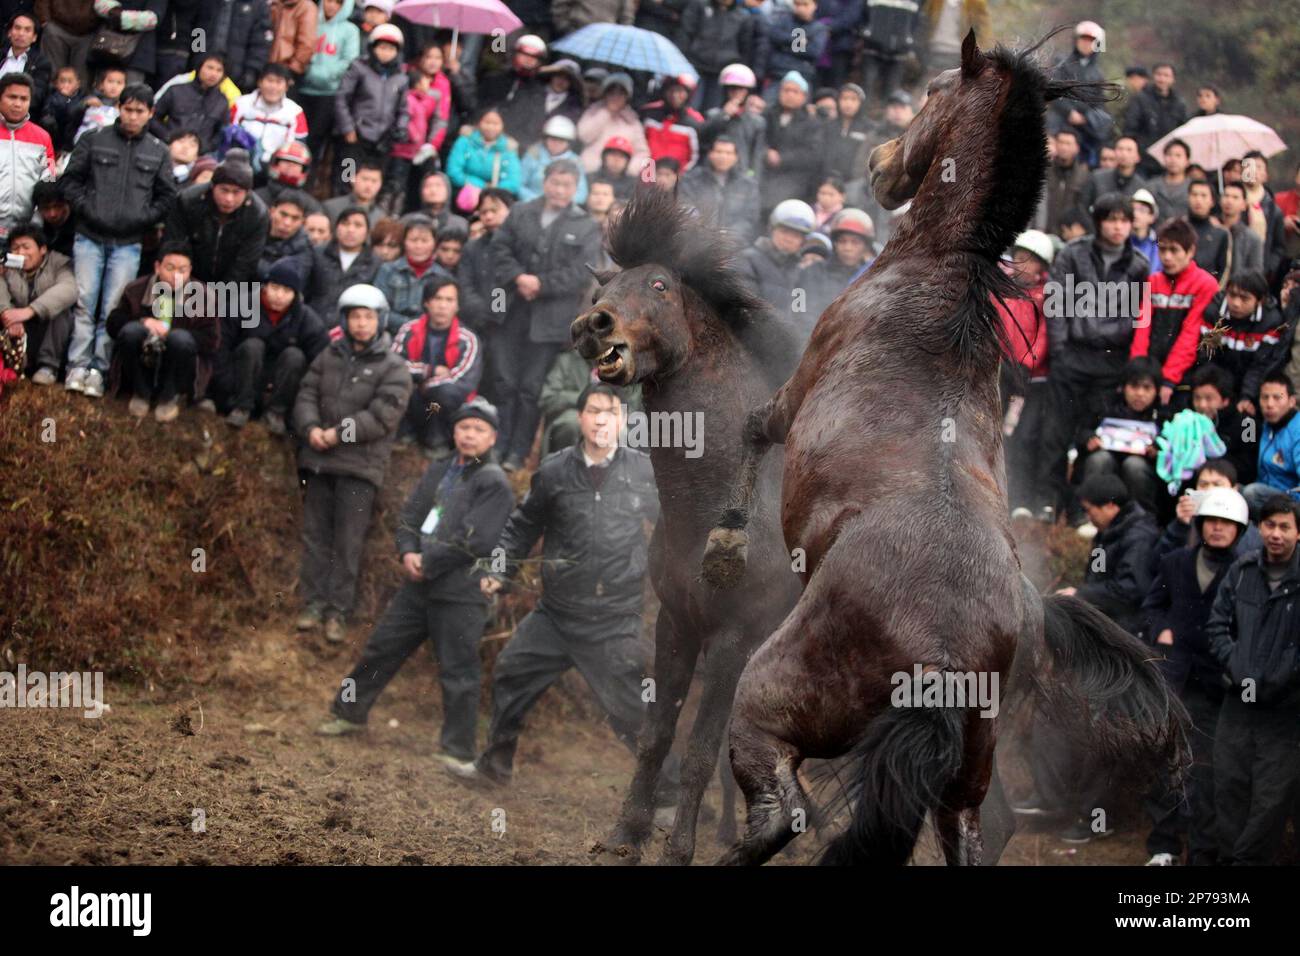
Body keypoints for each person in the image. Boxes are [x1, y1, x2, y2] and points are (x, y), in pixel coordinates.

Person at [446, 384, 678, 806]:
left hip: (612, 616)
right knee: (511, 673)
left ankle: (666, 795)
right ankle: (493, 768)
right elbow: (522, 526)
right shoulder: (554, 471)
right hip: (556, 614)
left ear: (623, 422)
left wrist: (663, 575)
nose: (602, 420)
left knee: (630, 707)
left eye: (611, 412)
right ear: (581, 418)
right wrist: (500, 567)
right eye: (594, 411)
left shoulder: (643, 473)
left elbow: (671, 529)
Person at [316, 397, 513, 752]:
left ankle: (458, 751)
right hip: (418, 585)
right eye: (464, 427)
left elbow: (477, 538)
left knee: (458, 671)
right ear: (454, 431)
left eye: (478, 430)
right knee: (381, 648)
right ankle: (348, 713)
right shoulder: (440, 469)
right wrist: (407, 551)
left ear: (492, 438)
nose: (469, 435)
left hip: (460, 591)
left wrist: (429, 560)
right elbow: (411, 515)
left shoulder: (494, 481)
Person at [294, 282, 412, 643]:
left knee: (348, 542)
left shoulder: (394, 367)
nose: (361, 323)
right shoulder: (329, 356)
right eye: (354, 317)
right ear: (345, 321)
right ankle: (312, 604)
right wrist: (311, 427)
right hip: (319, 462)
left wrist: (336, 434)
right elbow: (306, 394)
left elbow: (381, 417)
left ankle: (338, 611)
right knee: (315, 536)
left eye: (368, 316)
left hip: (360, 468)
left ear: (380, 320)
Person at [1141, 486, 1250, 866]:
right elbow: (1153, 604)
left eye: (1227, 523)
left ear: (1239, 529)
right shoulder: (1175, 562)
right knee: (1167, 762)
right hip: (1175, 679)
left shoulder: (1246, 571)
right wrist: (1161, 630)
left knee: (1208, 771)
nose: (1218, 529)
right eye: (1212, 521)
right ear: (1200, 524)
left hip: (1217, 686)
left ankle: (1202, 851)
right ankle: (1164, 845)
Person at [1039, 193, 1152, 519]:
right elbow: (1056, 303)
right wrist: (1060, 350)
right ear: (1099, 221)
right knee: (1056, 433)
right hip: (1072, 354)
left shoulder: (1138, 265)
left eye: (1124, 220)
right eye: (1111, 220)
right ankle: (1049, 503)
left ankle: (1082, 510)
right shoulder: (1073, 254)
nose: (1118, 227)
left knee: (1094, 437)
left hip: (1111, 361)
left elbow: (1139, 316)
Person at [61, 82, 174, 400]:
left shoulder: (158, 150)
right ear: (119, 109)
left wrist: (142, 217)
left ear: (151, 113)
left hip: (128, 241)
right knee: (84, 302)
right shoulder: (94, 139)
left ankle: (98, 369)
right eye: (128, 109)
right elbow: (70, 181)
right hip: (89, 235)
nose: (133, 116)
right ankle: (76, 366)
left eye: (140, 111)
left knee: (112, 307)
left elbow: (167, 196)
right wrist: (87, 208)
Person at [490, 158, 601, 471]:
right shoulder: (520, 212)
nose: (559, 190)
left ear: (576, 188)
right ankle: (498, 444)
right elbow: (500, 249)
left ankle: (518, 452)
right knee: (505, 381)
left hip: (550, 319)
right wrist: (519, 278)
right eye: (554, 182)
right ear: (545, 181)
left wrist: (541, 284)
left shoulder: (586, 225)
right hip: (511, 311)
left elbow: (580, 273)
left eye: (567, 185)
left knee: (531, 387)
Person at [1207, 495, 1300, 865]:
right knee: (1228, 787)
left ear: (1298, 532)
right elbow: (1217, 626)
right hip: (1237, 705)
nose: (1276, 534)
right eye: (1270, 526)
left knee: (1270, 802)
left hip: (1286, 711)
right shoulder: (1243, 570)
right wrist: (1239, 666)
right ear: (1259, 528)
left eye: (1284, 527)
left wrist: (1279, 678)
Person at [105, 243, 220, 423]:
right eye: (170, 268)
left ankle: (169, 397)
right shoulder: (136, 289)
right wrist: (144, 322)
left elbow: (211, 340)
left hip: (180, 361)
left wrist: (171, 334)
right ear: (157, 267)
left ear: (190, 270)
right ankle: (140, 393)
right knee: (131, 332)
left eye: (183, 270)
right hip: (143, 358)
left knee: (180, 340)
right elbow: (113, 324)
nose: (176, 275)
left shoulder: (204, 296)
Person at [213, 258, 328, 431]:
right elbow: (219, 348)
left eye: (287, 290)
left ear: (296, 294)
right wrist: (228, 386)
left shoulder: (306, 319)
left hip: (280, 385)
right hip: (240, 380)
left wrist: (299, 397)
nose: (279, 296)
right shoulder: (240, 305)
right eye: (275, 288)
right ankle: (241, 407)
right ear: (265, 286)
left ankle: (276, 413)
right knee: (253, 345)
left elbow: (320, 361)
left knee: (295, 356)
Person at [1131, 218, 1218, 408]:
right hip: (1151, 372)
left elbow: (1191, 333)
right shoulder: (1152, 281)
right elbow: (1141, 328)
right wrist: (1138, 371)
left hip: (1185, 373)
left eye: (1174, 250)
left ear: (1190, 251)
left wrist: (1170, 377)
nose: (1167, 257)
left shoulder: (1205, 284)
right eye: (1162, 250)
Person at [391, 275, 482, 455]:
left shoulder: (468, 339)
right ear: (426, 303)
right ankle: (406, 432)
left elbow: (462, 381)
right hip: (415, 397)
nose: (442, 305)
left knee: (444, 393)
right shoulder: (409, 329)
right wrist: (429, 371)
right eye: (437, 299)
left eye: (449, 300)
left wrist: (426, 384)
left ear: (457, 306)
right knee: (398, 385)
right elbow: (393, 365)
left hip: (444, 403)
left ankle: (436, 440)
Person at [997, 229, 1053, 519]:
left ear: (1042, 266)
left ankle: (1025, 498)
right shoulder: (1002, 289)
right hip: (1001, 373)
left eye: (1029, 260)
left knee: (1026, 436)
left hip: (1031, 379)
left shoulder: (1045, 296)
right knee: (997, 435)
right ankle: (1002, 496)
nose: (1023, 265)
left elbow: (1044, 334)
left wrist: (1026, 363)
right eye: (1019, 258)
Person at [1077, 358, 1167, 518]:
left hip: (1141, 471)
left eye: (1147, 388)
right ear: (1123, 387)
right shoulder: (1106, 407)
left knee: (1134, 466)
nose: (1140, 393)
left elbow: (1169, 450)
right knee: (1099, 459)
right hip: (1107, 463)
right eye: (1134, 386)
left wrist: (1157, 451)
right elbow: (1082, 432)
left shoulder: (1162, 416)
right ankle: (1090, 515)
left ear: (1156, 391)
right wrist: (1089, 440)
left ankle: (1141, 519)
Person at [163, 150, 269, 284]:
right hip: (186, 278)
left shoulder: (257, 214)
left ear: (247, 193)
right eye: (224, 190)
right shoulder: (188, 200)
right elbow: (173, 244)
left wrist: (219, 296)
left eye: (237, 192)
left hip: (232, 285)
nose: (229, 199)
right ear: (213, 186)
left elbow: (246, 263)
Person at [1199, 271, 1288, 424]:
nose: (1236, 303)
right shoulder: (1213, 313)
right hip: (1218, 384)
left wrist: (1247, 396)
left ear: (1259, 301)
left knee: (1247, 424)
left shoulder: (1271, 322)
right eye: (1231, 295)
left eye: (1244, 298)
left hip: (1251, 386)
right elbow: (1207, 356)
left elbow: (1260, 366)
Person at [333, 23, 409, 194]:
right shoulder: (359, 68)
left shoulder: (401, 78)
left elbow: (403, 109)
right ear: (372, 47)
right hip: (355, 137)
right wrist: (347, 128)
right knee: (347, 176)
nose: (385, 53)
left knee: (373, 182)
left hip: (382, 140)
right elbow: (341, 97)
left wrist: (400, 129)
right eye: (382, 47)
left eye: (390, 49)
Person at [0, 222, 76, 384]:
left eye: (26, 247)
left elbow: (69, 289)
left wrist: (31, 310)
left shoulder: (59, 263)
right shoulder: (6, 266)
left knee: (62, 312)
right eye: (15, 248)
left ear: (42, 249)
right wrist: (7, 313)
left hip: (47, 331)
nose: (21, 252)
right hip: (18, 334)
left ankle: (48, 368)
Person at [386, 41, 453, 215]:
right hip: (399, 143)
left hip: (423, 145)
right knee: (393, 184)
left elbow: (441, 119)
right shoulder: (406, 74)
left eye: (438, 58)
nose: (432, 61)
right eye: (429, 57)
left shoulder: (443, 84)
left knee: (418, 184)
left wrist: (431, 145)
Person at [297, 0, 361, 167]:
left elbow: (349, 60)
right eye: (328, 0)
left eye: (338, 2)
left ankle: (310, 183)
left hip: (330, 93)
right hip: (303, 88)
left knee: (317, 143)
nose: (331, 5)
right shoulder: (311, 22)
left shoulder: (350, 30)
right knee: (298, 139)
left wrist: (324, 74)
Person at [758, 72, 824, 220]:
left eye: (795, 91)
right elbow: (757, 140)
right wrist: (765, 153)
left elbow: (813, 154)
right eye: (786, 90)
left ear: (804, 96)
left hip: (795, 181)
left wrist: (782, 159)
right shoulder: (767, 115)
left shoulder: (811, 123)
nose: (789, 95)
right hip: (764, 174)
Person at [677, 135, 760, 247]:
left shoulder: (747, 185)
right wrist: (707, 234)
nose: (723, 156)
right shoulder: (691, 179)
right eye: (719, 151)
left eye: (728, 153)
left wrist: (729, 236)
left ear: (736, 157)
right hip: (697, 244)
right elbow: (686, 208)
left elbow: (749, 218)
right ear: (710, 154)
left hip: (735, 246)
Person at [738, 198, 813, 320]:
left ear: (803, 242)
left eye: (796, 235)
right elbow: (748, 306)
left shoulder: (799, 272)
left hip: (788, 336)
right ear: (772, 230)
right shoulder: (748, 260)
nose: (789, 239)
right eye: (785, 232)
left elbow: (800, 311)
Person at [0, 72, 53, 243]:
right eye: (12, 97)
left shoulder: (43, 138)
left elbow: (49, 181)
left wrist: (37, 220)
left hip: (26, 231)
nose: (17, 104)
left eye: (24, 99)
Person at [372, 213, 447, 333]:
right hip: (391, 335)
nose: (418, 246)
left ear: (434, 243)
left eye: (424, 241)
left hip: (428, 335)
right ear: (404, 242)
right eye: (413, 240)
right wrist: (410, 326)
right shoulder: (388, 270)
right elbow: (379, 308)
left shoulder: (442, 276)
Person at [799, 208, 873, 329]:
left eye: (855, 242)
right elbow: (799, 311)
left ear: (865, 247)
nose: (848, 248)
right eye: (842, 241)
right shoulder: (812, 272)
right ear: (835, 244)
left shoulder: (871, 276)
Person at [229, 63, 309, 173]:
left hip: (275, 167)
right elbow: (229, 133)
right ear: (260, 82)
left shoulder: (295, 112)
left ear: (286, 86)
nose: (273, 87)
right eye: (270, 81)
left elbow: (298, 147)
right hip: (240, 163)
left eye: (278, 82)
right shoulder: (241, 104)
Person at [680, 0, 755, 113]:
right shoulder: (700, 5)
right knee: (690, 108)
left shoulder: (743, 16)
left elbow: (745, 48)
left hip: (722, 74)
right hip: (695, 67)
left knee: (711, 113)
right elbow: (685, 35)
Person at [1187, 367, 1257, 488]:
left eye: (1209, 398)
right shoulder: (1188, 421)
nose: (1202, 405)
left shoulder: (1248, 423)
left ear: (1225, 400)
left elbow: (1248, 466)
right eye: (1197, 398)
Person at [476, 33, 548, 149]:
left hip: (512, 145)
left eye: (534, 57)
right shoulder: (494, 78)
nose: (528, 59)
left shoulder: (538, 91)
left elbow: (535, 123)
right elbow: (478, 106)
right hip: (481, 136)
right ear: (515, 54)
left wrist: (519, 142)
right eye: (524, 54)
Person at [307, 206, 380, 319]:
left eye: (358, 225)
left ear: (367, 232)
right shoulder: (317, 254)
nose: (350, 230)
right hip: (315, 321)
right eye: (345, 223)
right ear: (336, 228)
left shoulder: (374, 263)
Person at [446, 107, 523, 214]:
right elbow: (453, 171)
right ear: (479, 123)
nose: (490, 127)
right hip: (464, 193)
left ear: (502, 126)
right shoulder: (465, 141)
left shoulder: (508, 149)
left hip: (496, 197)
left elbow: (513, 182)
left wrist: (491, 191)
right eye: (487, 122)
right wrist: (479, 186)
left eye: (495, 124)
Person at [1241, 373, 1300, 512]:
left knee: (1251, 493)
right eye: (1265, 397)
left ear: (1291, 401)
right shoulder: (1266, 425)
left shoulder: (1297, 429)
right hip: (1264, 492)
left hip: (1291, 502)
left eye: (1277, 397)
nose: (1269, 404)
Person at [148, 53, 228, 154]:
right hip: (168, 149)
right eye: (210, 68)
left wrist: (205, 147)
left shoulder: (222, 101)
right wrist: (168, 137)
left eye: (219, 70)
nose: (213, 74)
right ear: (199, 68)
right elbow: (152, 117)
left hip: (201, 156)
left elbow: (221, 132)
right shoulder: (176, 90)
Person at [576, 73, 651, 178]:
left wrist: (628, 169)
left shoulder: (633, 122)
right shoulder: (593, 111)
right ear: (605, 94)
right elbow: (584, 136)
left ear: (627, 97)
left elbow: (643, 153)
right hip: (590, 172)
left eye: (620, 94)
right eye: (612, 93)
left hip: (620, 177)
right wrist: (606, 113)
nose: (615, 97)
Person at [700, 62, 764, 181]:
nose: (737, 93)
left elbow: (757, 158)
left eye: (741, 89)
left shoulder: (757, 122)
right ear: (726, 90)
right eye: (732, 88)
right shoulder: (713, 115)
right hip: (711, 174)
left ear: (747, 92)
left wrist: (753, 180)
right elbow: (703, 139)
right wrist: (724, 115)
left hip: (740, 177)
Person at [1124, 62, 1188, 179]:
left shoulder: (1179, 103)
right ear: (1153, 77)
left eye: (1166, 75)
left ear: (1172, 79)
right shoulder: (1140, 99)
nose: (1162, 79)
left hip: (1168, 160)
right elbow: (1130, 127)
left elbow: (1183, 130)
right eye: (1159, 75)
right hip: (1144, 159)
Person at [196, 0, 273, 93]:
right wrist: (197, 59)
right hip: (203, 70)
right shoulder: (208, 3)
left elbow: (260, 44)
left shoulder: (257, 5)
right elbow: (198, 30)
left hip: (236, 75)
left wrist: (251, 71)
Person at [755, 0, 827, 96]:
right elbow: (774, 36)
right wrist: (798, 40)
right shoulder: (783, 21)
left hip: (803, 77)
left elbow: (814, 52)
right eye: (797, 4)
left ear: (815, 6)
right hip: (778, 75)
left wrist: (784, 47)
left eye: (805, 4)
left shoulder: (818, 28)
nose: (801, 8)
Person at [640, 74, 705, 173]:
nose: (675, 95)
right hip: (646, 174)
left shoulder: (695, 121)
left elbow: (697, 156)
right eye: (671, 90)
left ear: (688, 94)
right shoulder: (648, 113)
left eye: (680, 91)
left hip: (677, 179)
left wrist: (681, 176)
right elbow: (639, 145)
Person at [518, 114, 588, 205]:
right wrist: (536, 201)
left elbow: (582, 193)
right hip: (532, 205)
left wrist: (561, 203)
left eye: (562, 140)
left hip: (563, 210)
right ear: (545, 139)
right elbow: (519, 184)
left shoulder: (575, 161)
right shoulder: (533, 155)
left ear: (569, 143)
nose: (557, 143)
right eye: (553, 139)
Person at [260, 189, 316, 286]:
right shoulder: (254, 230)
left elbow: (293, 278)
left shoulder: (304, 247)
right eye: (283, 215)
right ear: (272, 211)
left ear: (302, 221)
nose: (287, 223)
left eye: (295, 218)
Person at [1039, 128, 1089, 237]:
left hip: (1068, 233)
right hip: (1043, 231)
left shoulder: (1084, 176)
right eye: (1061, 142)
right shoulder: (1043, 170)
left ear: (1077, 148)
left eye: (1068, 143)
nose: (1064, 147)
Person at [1, 11, 49, 118]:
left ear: (34, 37)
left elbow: (36, 96)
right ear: (9, 32)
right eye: (17, 28)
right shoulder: (2, 55)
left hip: (20, 115)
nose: (21, 33)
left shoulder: (41, 63)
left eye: (27, 30)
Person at [1080, 135, 1146, 214]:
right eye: (1120, 149)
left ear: (1138, 157)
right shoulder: (1097, 178)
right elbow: (1083, 208)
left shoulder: (1141, 186)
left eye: (1129, 150)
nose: (1124, 153)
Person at [1218, 182, 1265, 282]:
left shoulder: (1252, 239)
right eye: (1226, 196)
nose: (1229, 201)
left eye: (1235, 197)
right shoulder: (1213, 229)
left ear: (1244, 205)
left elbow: (1255, 273)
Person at [321, 159, 385, 228]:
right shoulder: (330, 208)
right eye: (365, 179)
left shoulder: (381, 217)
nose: (369, 185)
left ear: (380, 184)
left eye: (374, 181)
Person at [1186, 180, 1229, 280]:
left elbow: (1223, 270)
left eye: (1203, 195)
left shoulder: (1221, 234)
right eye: (1194, 195)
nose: (1198, 200)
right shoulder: (1177, 229)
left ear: (1212, 201)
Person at [269, 0, 318, 82]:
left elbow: (307, 44)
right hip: (265, 69)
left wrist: (292, 69)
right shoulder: (272, 4)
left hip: (288, 70)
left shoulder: (306, 7)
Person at [1147, 138, 1191, 223]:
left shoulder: (1192, 188)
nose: (1173, 160)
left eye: (1178, 156)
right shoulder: (1151, 186)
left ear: (1187, 161)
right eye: (1169, 155)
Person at [1127, 188, 1159, 273]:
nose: (1135, 214)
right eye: (1132, 209)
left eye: (1142, 210)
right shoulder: (1121, 242)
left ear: (1152, 217)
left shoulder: (1159, 245)